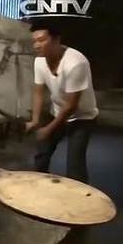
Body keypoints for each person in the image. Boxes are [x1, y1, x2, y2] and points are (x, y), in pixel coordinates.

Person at [25, 21, 98, 182]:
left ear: (56, 39)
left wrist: (48, 129)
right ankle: (37, 186)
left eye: (42, 40)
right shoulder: (39, 61)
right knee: (41, 154)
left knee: (74, 165)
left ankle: (79, 200)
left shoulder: (76, 63)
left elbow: (71, 105)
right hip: (58, 111)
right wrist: (35, 120)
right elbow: (38, 91)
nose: (37, 45)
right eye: (34, 41)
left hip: (82, 117)